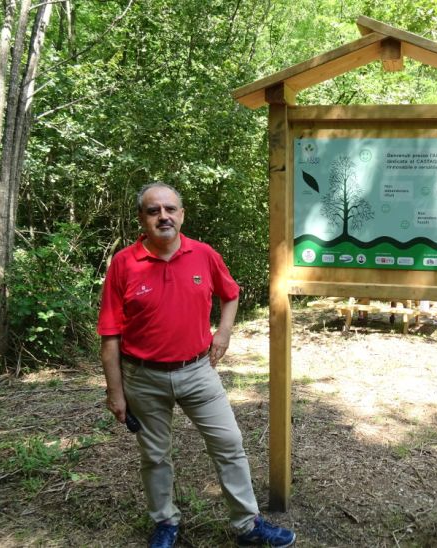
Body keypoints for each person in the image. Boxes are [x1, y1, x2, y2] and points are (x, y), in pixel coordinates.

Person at [98, 183, 296, 548]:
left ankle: (247, 524)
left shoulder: (203, 254)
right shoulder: (124, 264)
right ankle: (165, 522)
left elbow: (231, 293)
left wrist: (223, 333)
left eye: (170, 209)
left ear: (182, 215)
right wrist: (115, 393)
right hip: (142, 377)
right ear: (142, 218)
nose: (163, 216)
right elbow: (110, 334)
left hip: (197, 372)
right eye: (154, 211)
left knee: (229, 443)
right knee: (155, 456)